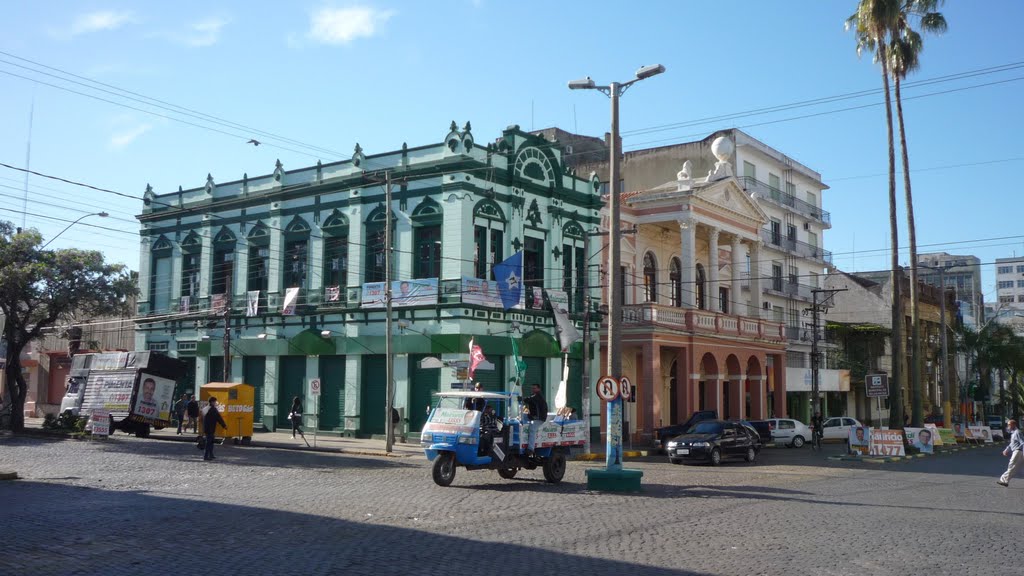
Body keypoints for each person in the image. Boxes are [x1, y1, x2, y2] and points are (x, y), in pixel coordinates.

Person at [523, 384, 548, 456]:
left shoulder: (538, 396)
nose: (533, 389)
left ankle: (531, 448)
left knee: (532, 428)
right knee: (521, 417)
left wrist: (523, 399)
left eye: (534, 388)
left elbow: (529, 399)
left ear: (539, 389)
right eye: (532, 388)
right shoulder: (534, 396)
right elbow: (529, 399)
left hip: (539, 418)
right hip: (533, 416)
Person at [998, 419, 1024, 487]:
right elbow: (1011, 444)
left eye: (1009, 425)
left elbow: (1023, 442)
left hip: (1018, 451)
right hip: (1017, 451)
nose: (1008, 426)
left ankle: (1004, 480)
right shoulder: (1013, 433)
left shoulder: (1017, 432)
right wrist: (1006, 450)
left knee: (1011, 466)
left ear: (1013, 425)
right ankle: (1005, 481)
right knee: (1014, 468)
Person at [201, 396, 227, 461]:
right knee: (209, 442)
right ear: (212, 402)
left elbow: (202, 418)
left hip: (207, 427)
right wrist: (224, 425)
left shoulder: (206, 408)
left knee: (210, 441)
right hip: (210, 428)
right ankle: (206, 456)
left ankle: (211, 454)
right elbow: (219, 418)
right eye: (215, 401)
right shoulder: (212, 409)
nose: (216, 403)